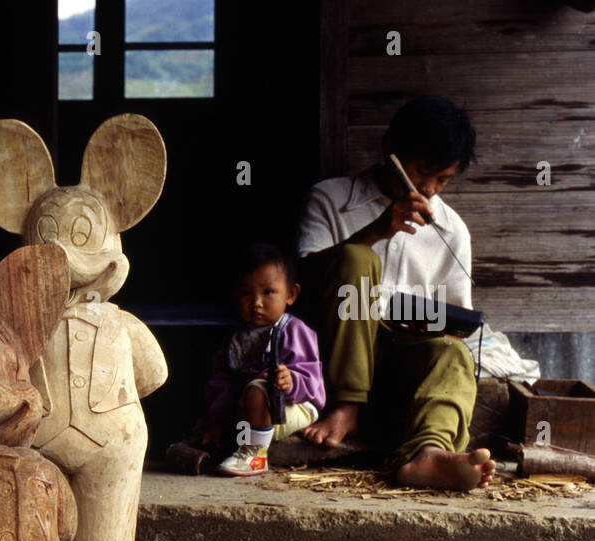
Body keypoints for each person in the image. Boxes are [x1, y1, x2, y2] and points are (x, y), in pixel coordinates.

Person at [297, 95, 495, 490]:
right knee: (357, 259)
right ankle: (347, 407)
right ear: (391, 150)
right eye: (422, 172)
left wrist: (435, 328)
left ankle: (428, 454)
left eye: (443, 180)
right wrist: (376, 232)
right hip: (328, 359)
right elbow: (297, 283)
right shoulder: (331, 199)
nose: (428, 188)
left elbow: (454, 319)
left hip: (396, 369)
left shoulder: (452, 229)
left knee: (453, 353)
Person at [202, 244, 326, 477]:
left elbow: (312, 380)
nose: (256, 302)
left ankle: (256, 455)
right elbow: (220, 384)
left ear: (291, 294)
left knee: (259, 387)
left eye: (268, 292)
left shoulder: (294, 330)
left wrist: (291, 381)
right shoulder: (235, 339)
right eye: (246, 293)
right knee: (230, 415)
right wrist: (216, 421)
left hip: (290, 407)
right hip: (251, 411)